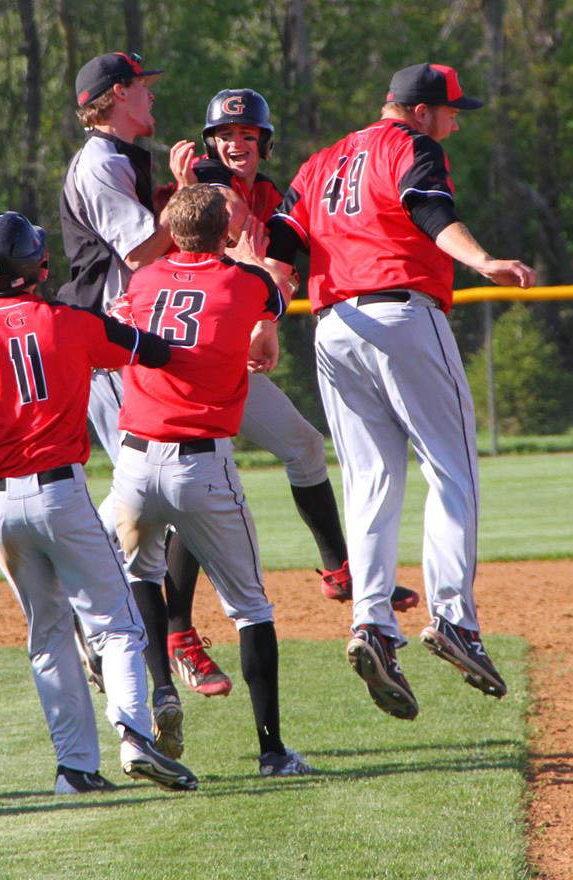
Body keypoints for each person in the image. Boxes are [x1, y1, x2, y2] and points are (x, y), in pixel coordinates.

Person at [266, 63, 537, 721]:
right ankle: (454, 618)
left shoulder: (320, 162)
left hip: (333, 328)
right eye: (450, 111)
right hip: (401, 313)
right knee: (451, 469)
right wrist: (481, 260)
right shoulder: (411, 146)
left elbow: (281, 243)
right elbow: (429, 207)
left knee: (369, 481)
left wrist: (263, 313)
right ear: (419, 111)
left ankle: (373, 624)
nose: (455, 123)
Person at [0, 211, 196, 794]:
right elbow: (155, 352)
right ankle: (135, 737)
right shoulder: (68, 320)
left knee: (48, 635)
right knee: (117, 623)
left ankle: (75, 770)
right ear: (35, 264)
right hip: (58, 491)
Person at [149, 89, 420, 705]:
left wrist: (265, 308)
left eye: (247, 135)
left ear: (264, 142)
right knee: (197, 485)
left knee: (303, 446)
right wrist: (194, 193)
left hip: (229, 360)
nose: (235, 144)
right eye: (224, 135)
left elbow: (278, 265)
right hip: (184, 369)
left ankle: (340, 570)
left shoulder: (271, 196)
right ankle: (176, 630)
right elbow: (211, 233)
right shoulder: (199, 186)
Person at [54, 52, 239, 713]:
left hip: (136, 340)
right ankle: (97, 615)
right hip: (114, 346)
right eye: (142, 87)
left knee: (163, 490)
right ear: (115, 95)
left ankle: (150, 630)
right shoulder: (99, 162)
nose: (151, 97)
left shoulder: (123, 156)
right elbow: (140, 250)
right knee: (147, 492)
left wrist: (177, 193)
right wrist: (185, 199)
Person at [108, 184, 311, 777]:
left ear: (171, 232)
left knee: (141, 575)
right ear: (225, 231)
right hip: (201, 460)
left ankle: (162, 689)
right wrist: (247, 255)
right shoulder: (242, 282)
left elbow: (119, 328)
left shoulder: (142, 280)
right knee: (250, 608)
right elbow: (276, 295)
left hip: (134, 458)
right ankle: (272, 752)